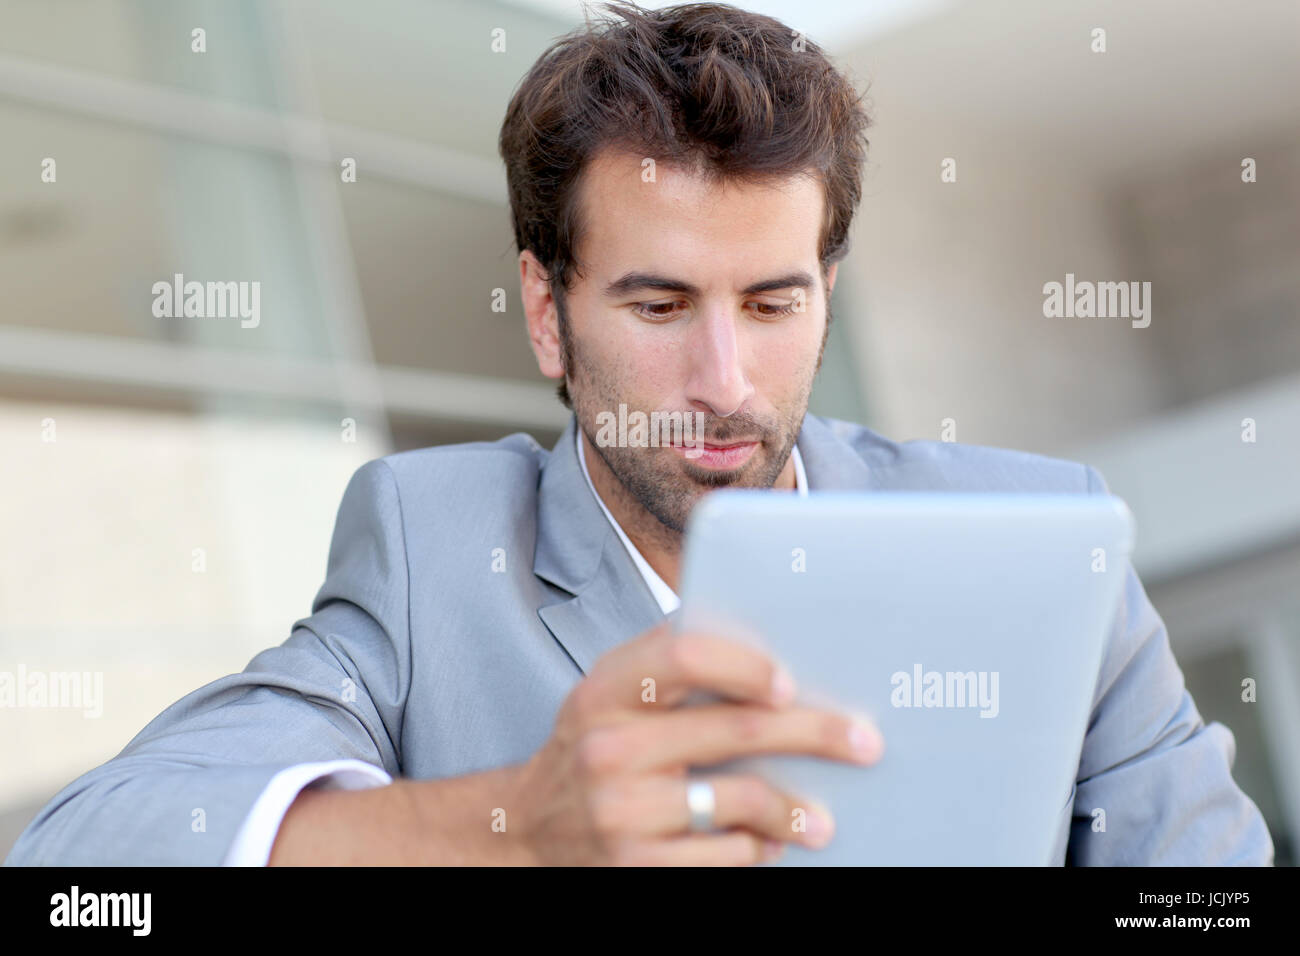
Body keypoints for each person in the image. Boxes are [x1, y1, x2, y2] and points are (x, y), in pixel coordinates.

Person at [5, 1, 1272, 867]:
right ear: (547, 313)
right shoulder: (430, 554)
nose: (723, 381)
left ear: (826, 291)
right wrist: (512, 823)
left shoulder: (1042, 538)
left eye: (772, 303)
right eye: (659, 305)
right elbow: (82, 865)